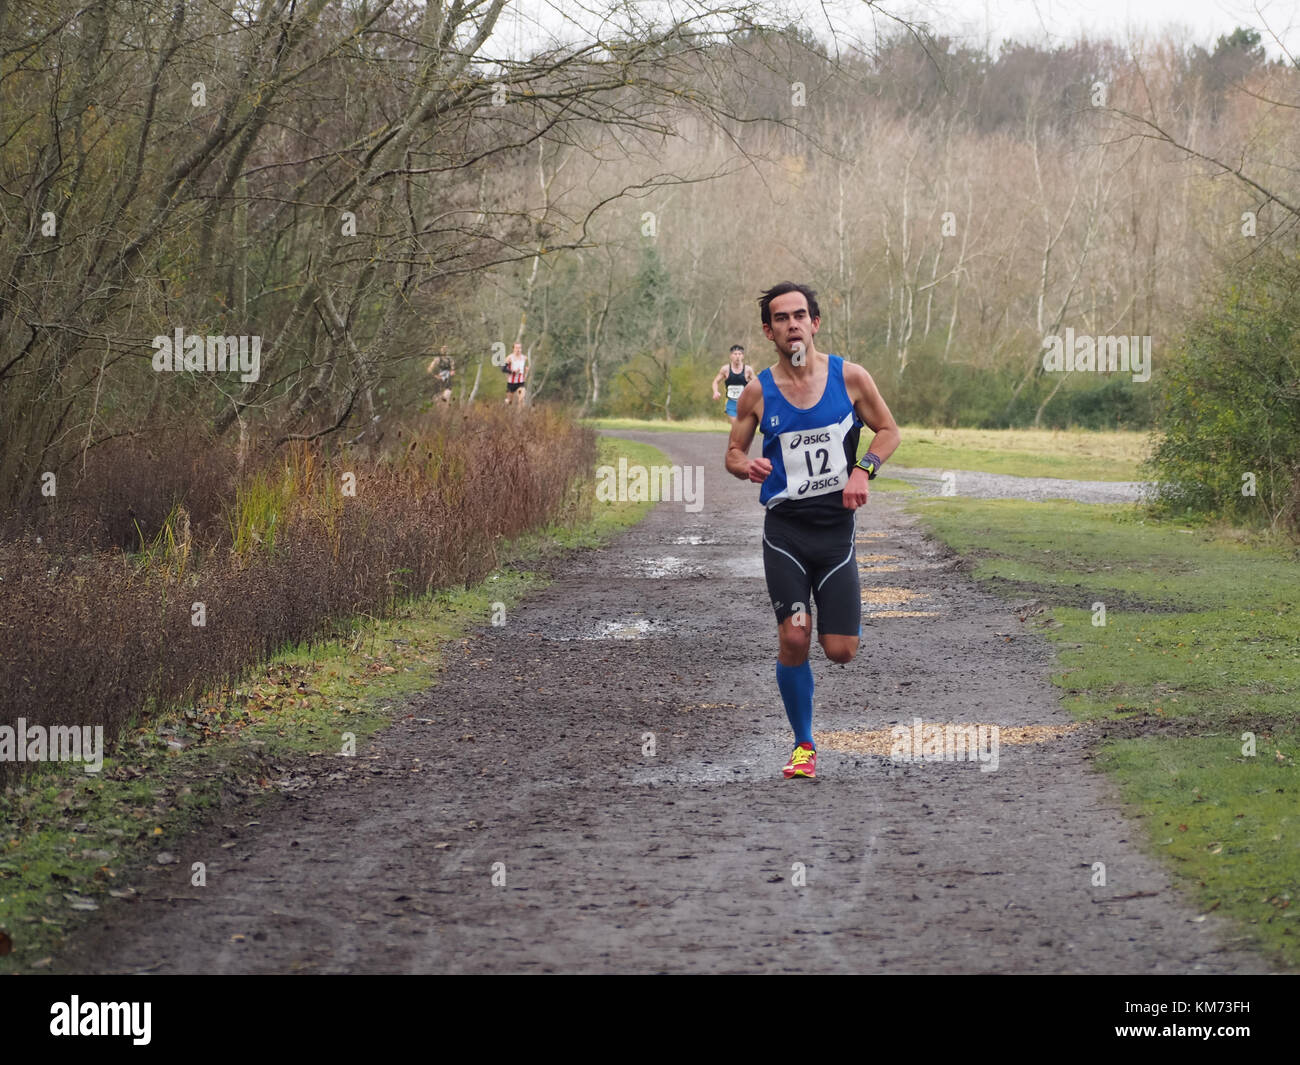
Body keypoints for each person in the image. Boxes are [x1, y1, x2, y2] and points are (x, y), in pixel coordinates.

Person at [725, 282, 901, 780]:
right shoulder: (759, 390)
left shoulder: (851, 378)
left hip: (835, 533)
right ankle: (804, 745)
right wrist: (746, 466)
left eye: (800, 315)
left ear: (815, 323)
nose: (792, 324)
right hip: (786, 533)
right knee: (795, 637)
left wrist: (863, 470)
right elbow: (733, 452)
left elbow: (888, 431)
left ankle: (839, 616)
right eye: (781, 318)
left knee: (840, 651)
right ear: (768, 331)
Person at [711, 344, 754, 423]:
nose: (737, 356)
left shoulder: (748, 370)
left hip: (745, 403)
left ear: (743, 356)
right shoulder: (725, 369)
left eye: (739, 354)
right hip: (731, 403)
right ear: (731, 356)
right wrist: (715, 392)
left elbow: (757, 384)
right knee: (736, 426)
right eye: (735, 354)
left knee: (744, 428)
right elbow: (715, 382)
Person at [503, 342, 529, 406]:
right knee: (509, 402)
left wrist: (526, 372)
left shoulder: (524, 358)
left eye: (520, 348)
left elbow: (526, 369)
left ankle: (520, 415)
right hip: (511, 383)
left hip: (520, 382)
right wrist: (512, 371)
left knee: (521, 399)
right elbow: (503, 369)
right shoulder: (509, 358)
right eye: (516, 348)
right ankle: (506, 403)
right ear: (513, 349)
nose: (518, 349)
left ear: (521, 349)